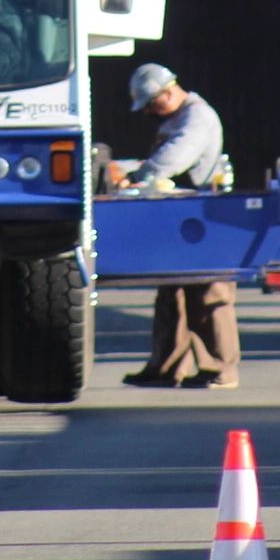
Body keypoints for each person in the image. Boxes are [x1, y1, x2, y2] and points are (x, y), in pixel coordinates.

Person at [108, 63, 241, 390]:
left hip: (204, 214)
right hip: (182, 215)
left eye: (153, 104)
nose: (151, 112)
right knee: (173, 293)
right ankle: (166, 367)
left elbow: (173, 160)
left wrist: (135, 176)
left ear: (167, 92)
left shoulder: (197, 117)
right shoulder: (177, 118)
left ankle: (220, 369)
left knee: (210, 292)